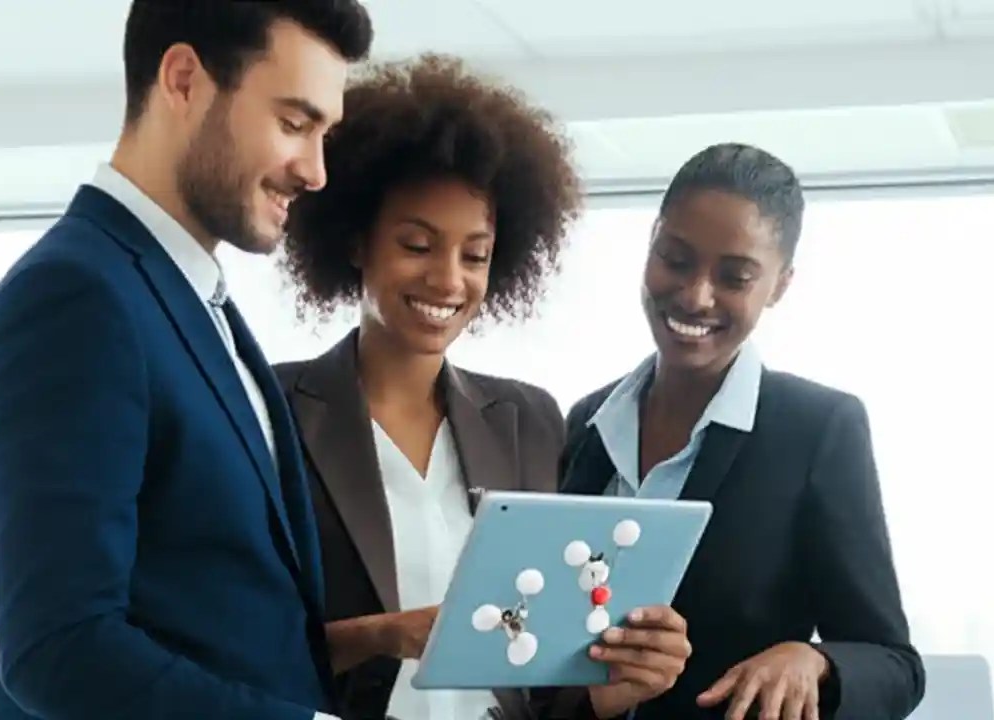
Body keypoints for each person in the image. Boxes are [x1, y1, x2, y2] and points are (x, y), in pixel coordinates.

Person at [0, 2, 372, 718]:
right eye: (294, 124)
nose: (316, 170)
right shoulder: (74, 300)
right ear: (183, 80)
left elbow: (204, 613)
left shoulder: (184, 297)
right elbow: (60, 649)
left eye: (324, 133)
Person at [273, 54, 692, 720]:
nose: (448, 280)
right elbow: (227, 642)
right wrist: (384, 635)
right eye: (417, 244)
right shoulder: (270, 411)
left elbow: (542, 684)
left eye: (474, 255)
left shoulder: (527, 418)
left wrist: (615, 689)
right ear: (356, 240)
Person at [553, 144, 925, 720]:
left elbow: (897, 666)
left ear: (779, 285)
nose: (696, 295)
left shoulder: (817, 429)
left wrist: (814, 661)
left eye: (735, 277)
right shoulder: (587, 424)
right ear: (652, 241)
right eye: (675, 259)